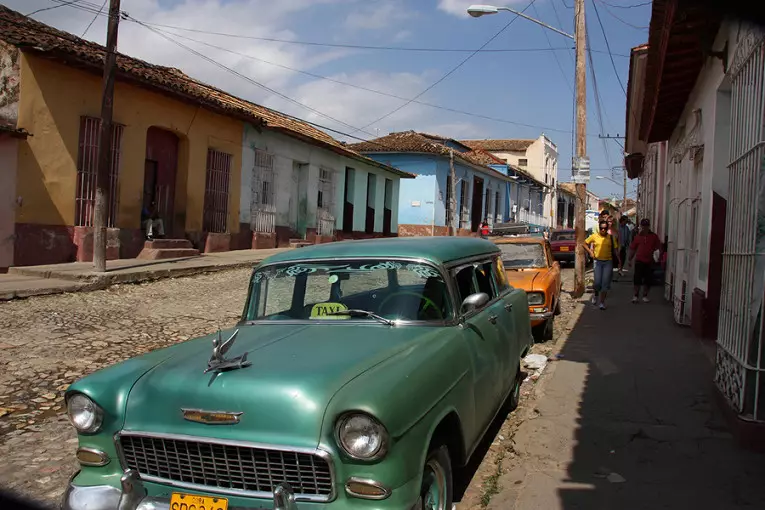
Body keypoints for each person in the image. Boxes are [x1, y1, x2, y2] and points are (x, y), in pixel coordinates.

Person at [584, 220, 619, 310]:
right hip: (597, 262)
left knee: (605, 283)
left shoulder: (611, 238)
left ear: (607, 228)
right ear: (599, 228)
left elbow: (615, 250)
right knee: (597, 283)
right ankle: (596, 295)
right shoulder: (594, 236)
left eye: (605, 228)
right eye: (601, 228)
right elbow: (584, 243)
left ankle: (602, 302)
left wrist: (620, 261)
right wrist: (590, 252)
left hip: (608, 262)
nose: (603, 230)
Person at [629, 218, 662, 303]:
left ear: (649, 226)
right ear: (641, 226)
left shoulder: (654, 236)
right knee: (637, 279)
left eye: (646, 226)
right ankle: (635, 295)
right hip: (639, 260)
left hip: (649, 261)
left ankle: (645, 295)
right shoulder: (637, 237)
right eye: (643, 226)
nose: (645, 228)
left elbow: (658, 247)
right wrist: (630, 259)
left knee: (648, 279)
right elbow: (633, 249)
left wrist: (658, 256)